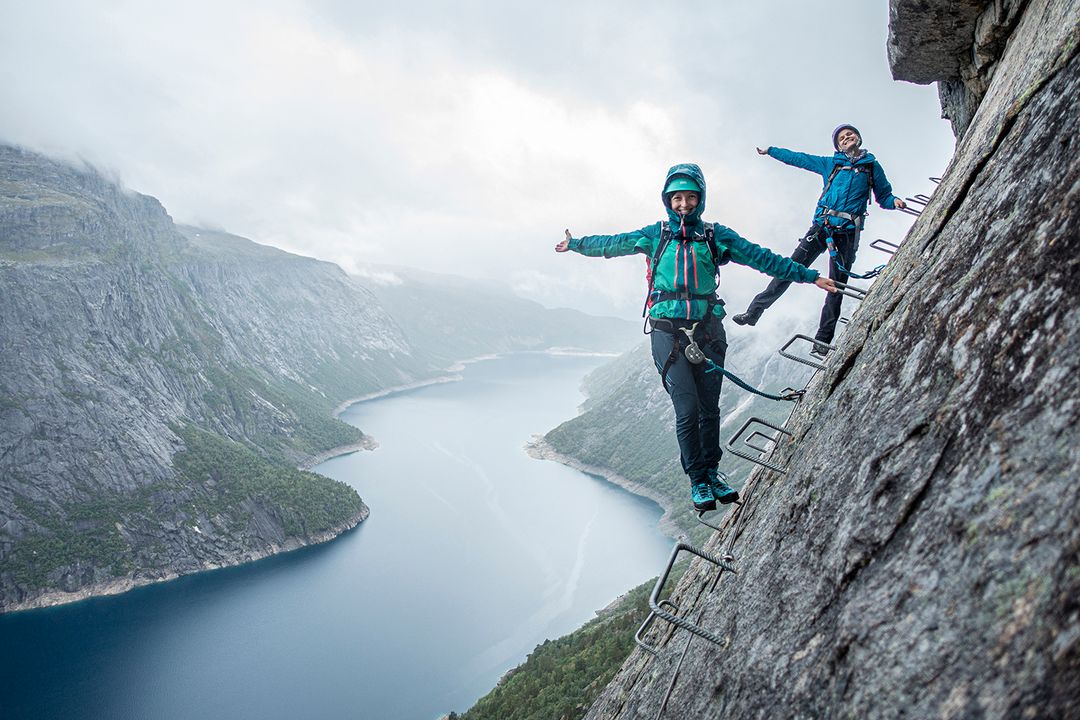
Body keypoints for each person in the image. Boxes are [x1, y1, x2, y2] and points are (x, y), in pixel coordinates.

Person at [555, 163, 836, 512]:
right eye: (677, 198)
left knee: (709, 410)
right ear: (667, 200)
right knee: (687, 410)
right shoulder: (655, 235)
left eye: (690, 197)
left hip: (707, 332)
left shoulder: (715, 236)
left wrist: (809, 276)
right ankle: (698, 480)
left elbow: (763, 258)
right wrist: (577, 244)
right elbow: (614, 244)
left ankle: (713, 472)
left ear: (700, 198)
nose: (684, 204)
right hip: (666, 334)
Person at [731, 125, 906, 356]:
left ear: (859, 138)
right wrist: (771, 151)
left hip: (846, 233)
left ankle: (822, 342)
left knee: (836, 286)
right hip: (822, 227)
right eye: (842, 138)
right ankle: (754, 312)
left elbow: (883, 195)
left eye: (849, 134)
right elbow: (800, 159)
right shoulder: (829, 163)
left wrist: (894, 202)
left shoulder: (871, 167)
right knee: (789, 269)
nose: (846, 138)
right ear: (838, 146)